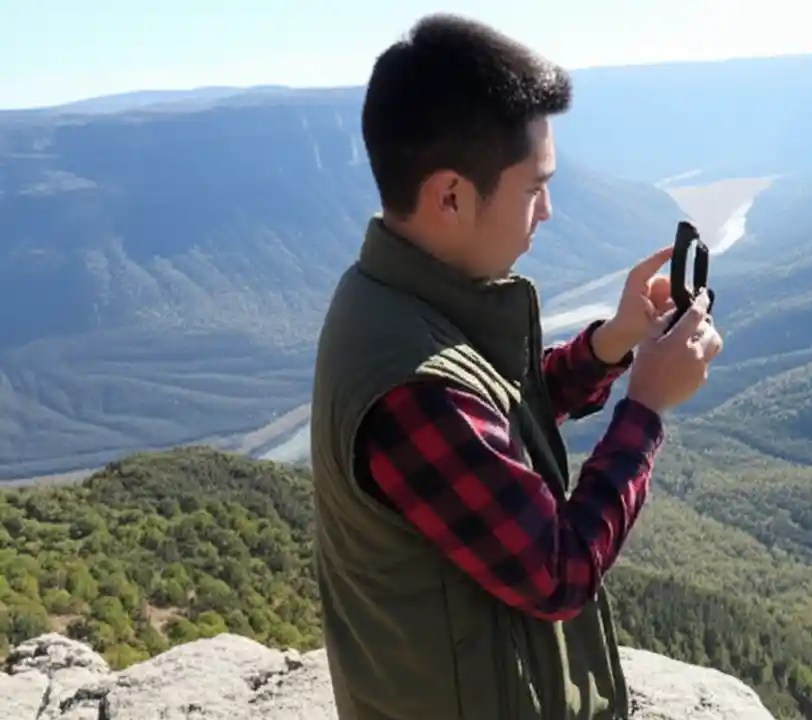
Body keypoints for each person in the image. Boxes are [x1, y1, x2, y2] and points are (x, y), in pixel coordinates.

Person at [308, 12, 723, 720]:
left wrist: (613, 344)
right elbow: (558, 572)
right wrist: (646, 409)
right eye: (534, 187)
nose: (549, 211)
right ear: (450, 197)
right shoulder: (411, 389)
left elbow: (496, 411)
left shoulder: (393, 297)